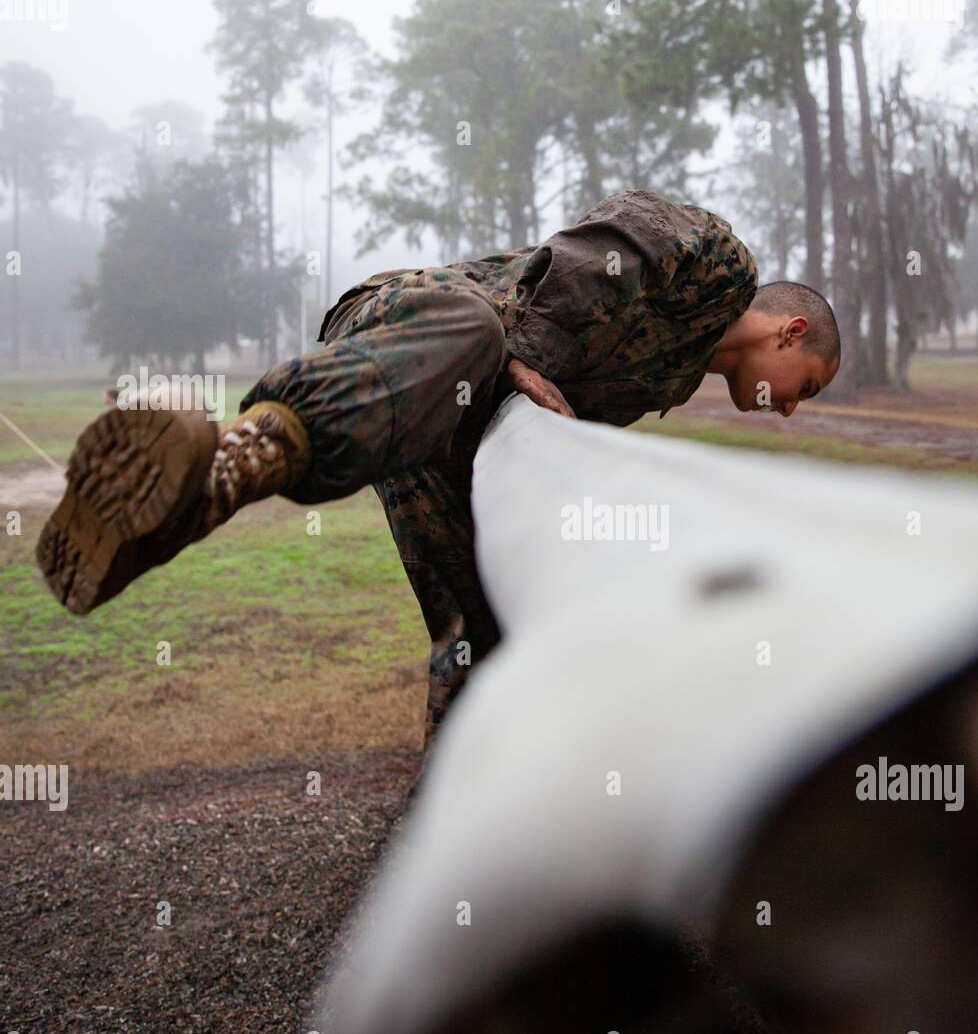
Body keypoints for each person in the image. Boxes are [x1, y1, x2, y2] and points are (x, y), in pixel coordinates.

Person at [38, 189, 840, 741]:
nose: (794, 406)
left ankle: (157, 524)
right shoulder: (722, 264)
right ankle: (228, 461)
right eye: (807, 387)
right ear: (792, 332)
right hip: (420, 323)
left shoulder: (669, 379)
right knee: (477, 336)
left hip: (441, 430)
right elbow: (607, 240)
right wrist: (523, 355)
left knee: (482, 631)